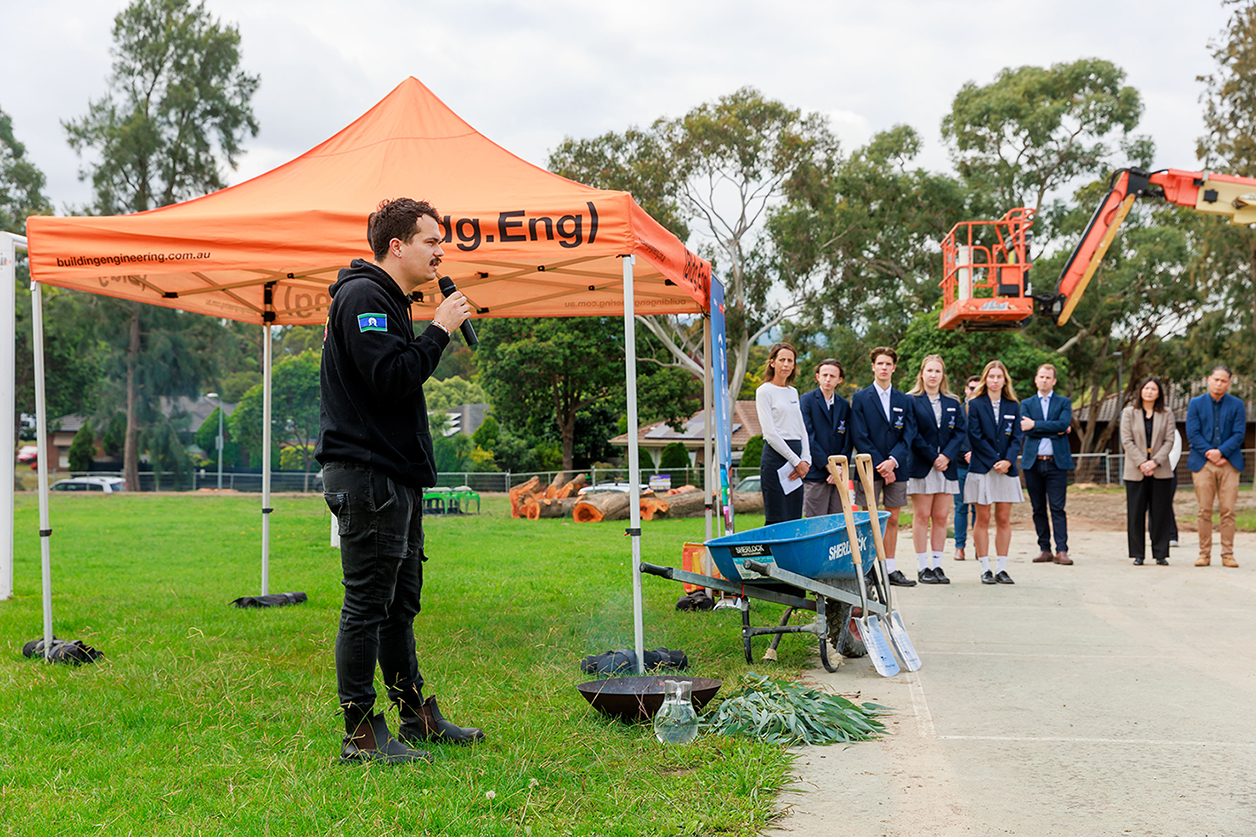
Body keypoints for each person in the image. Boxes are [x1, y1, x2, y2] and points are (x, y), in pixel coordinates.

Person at [316, 198, 484, 765]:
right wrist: (439, 330)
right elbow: (390, 378)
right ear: (397, 245)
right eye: (432, 240)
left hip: (393, 475)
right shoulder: (364, 297)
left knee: (398, 604)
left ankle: (413, 715)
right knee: (367, 604)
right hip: (368, 476)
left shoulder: (387, 301)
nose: (441, 251)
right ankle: (361, 732)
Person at [850, 346, 917, 587]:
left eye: (888, 364)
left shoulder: (904, 399)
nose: (884, 368)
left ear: (894, 368)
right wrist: (881, 464)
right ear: (873, 367)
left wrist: (892, 462)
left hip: (897, 467)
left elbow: (909, 433)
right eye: (880, 364)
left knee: (893, 518)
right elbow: (859, 435)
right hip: (869, 467)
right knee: (869, 519)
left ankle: (889, 569)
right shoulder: (860, 398)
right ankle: (867, 570)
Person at [906, 355, 965, 585]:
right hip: (922, 465)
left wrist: (946, 456)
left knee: (941, 517)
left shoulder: (953, 402)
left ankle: (937, 565)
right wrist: (933, 456)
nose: (933, 375)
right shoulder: (911, 400)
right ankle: (923, 567)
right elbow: (912, 433)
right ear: (922, 373)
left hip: (946, 468)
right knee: (922, 516)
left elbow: (960, 432)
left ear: (943, 375)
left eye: (937, 371)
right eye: (929, 370)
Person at [964, 360, 1024, 585]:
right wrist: (995, 461)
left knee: (1003, 519)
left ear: (1004, 380)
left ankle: (1002, 568)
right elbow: (975, 436)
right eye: (991, 376)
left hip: (1006, 470)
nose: (995, 380)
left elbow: (1017, 436)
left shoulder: (1013, 405)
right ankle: (985, 568)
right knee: (983, 518)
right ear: (985, 379)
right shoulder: (976, 404)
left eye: (999, 377)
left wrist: (1008, 460)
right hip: (983, 468)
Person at [1185, 365, 1246, 568]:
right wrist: (1210, 452)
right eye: (1216, 379)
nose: (1219, 383)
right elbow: (1192, 433)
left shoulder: (1237, 405)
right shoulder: (1195, 403)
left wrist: (1222, 452)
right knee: (1204, 510)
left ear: (1229, 383)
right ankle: (1204, 554)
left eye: (1224, 380)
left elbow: (1239, 433)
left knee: (1228, 510)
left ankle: (1227, 553)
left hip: (1229, 463)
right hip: (1203, 463)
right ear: (1208, 379)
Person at [1019, 364, 1075, 566]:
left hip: (1056, 463)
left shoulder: (1064, 402)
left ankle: (1062, 550)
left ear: (1054, 381)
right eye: (1041, 376)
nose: (1044, 380)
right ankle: (1045, 549)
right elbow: (1025, 428)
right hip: (1033, 463)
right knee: (1038, 508)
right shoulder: (1026, 404)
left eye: (1048, 377)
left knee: (1058, 508)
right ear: (1036, 379)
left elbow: (1063, 423)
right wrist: (1052, 428)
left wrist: (1036, 425)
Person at [1121, 376, 1175, 566]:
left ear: (1159, 393)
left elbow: (1170, 440)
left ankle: (1160, 554)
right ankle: (1138, 554)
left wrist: (1155, 462)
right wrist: (1142, 463)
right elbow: (1127, 440)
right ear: (1140, 391)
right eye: (1146, 388)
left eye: (1153, 389)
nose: (1149, 391)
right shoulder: (1129, 412)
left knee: (1160, 513)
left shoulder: (1167, 413)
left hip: (1161, 471)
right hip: (1136, 471)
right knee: (1135, 513)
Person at [755, 342, 811, 525]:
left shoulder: (793, 392)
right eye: (782, 360)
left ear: (794, 365)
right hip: (776, 458)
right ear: (772, 363)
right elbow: (770, 434)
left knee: (794, 517)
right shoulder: (764, 391)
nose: (786, 364)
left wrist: (806, 460)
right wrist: (795, 461)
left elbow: (801, 427)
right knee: (777, 518)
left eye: (790, 361)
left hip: (797, 459)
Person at [800, 358, 852, 517]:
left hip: (838, 475)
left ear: (839, 380)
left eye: (832, 376)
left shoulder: (844, 405)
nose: (828, 379)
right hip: (816, 473)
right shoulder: (807, 401)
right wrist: (829, 466)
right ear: (818, 377)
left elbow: (848, 439)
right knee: (815, 525)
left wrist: (839, 469)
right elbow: (808, 437)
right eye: (825, 375)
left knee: (837, 524)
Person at [953, 376, 980, 561]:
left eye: (978, 389)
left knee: (980, 509)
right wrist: (965, 453)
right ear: (965, 389)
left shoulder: (985, 411)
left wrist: (977, 454)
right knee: (961, 507)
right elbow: (953, 437)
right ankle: (959, 547)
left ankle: (979, 545)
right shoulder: (957, 412)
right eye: (971, 388)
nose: (974, 392)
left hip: (981, 467)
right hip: (960, 466)